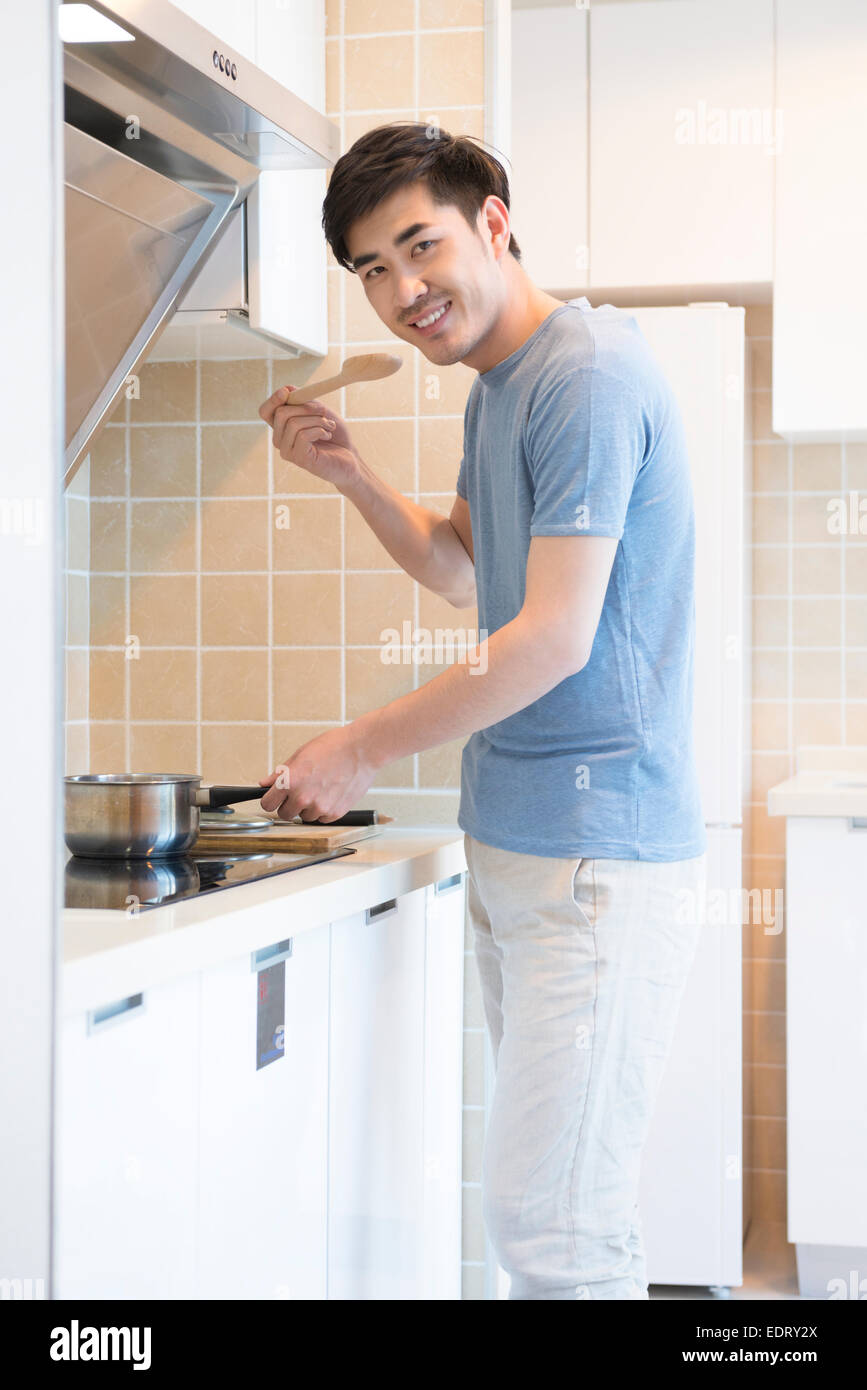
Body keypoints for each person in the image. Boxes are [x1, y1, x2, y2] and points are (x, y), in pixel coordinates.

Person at [257, 122, 707, 1300]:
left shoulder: (587, 372)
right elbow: (465, 568)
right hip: (522, 842)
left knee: (556, 1228)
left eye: (421, 247)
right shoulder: (500, 388)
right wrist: (353, 474)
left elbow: (551, 635)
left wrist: (359, 744)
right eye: (371, 270)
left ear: (493, 222)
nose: (404, 291)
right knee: (549, 1216)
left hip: (595, 848)